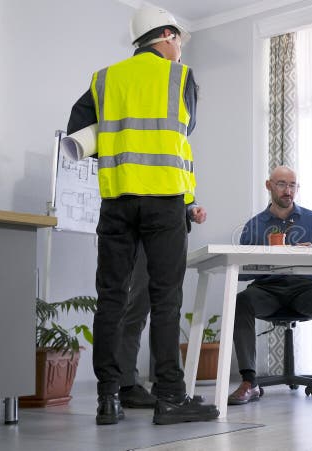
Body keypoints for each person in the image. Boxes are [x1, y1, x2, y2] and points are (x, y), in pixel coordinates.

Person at [66, 6, 218, 425]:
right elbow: (184, 130)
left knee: (111, 298)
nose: (181, 50)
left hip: (116, 201)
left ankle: (107, 399)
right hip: (164, 200)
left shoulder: (103, 79)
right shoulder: (181, 77)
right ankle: (170, 396)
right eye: (179, 42)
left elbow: (80, 134)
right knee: (165, 299)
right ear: (167, 36)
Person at [228, 165, 312, 404]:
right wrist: (264, 258)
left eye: (292, 185)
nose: (287, 191)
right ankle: (249, 381)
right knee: (242, 301)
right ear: (269, 186)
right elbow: (240, 272)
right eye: (281, 184)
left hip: (306, 288)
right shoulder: (254, 225)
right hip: (268, 289)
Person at [117, 200, 206, 409]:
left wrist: (191, 208)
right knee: (139, 304)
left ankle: (165, 383)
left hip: (173, 229)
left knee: (168, 309)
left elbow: (177, 189)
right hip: (150, 229)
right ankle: (126, 384)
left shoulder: (184, 165)